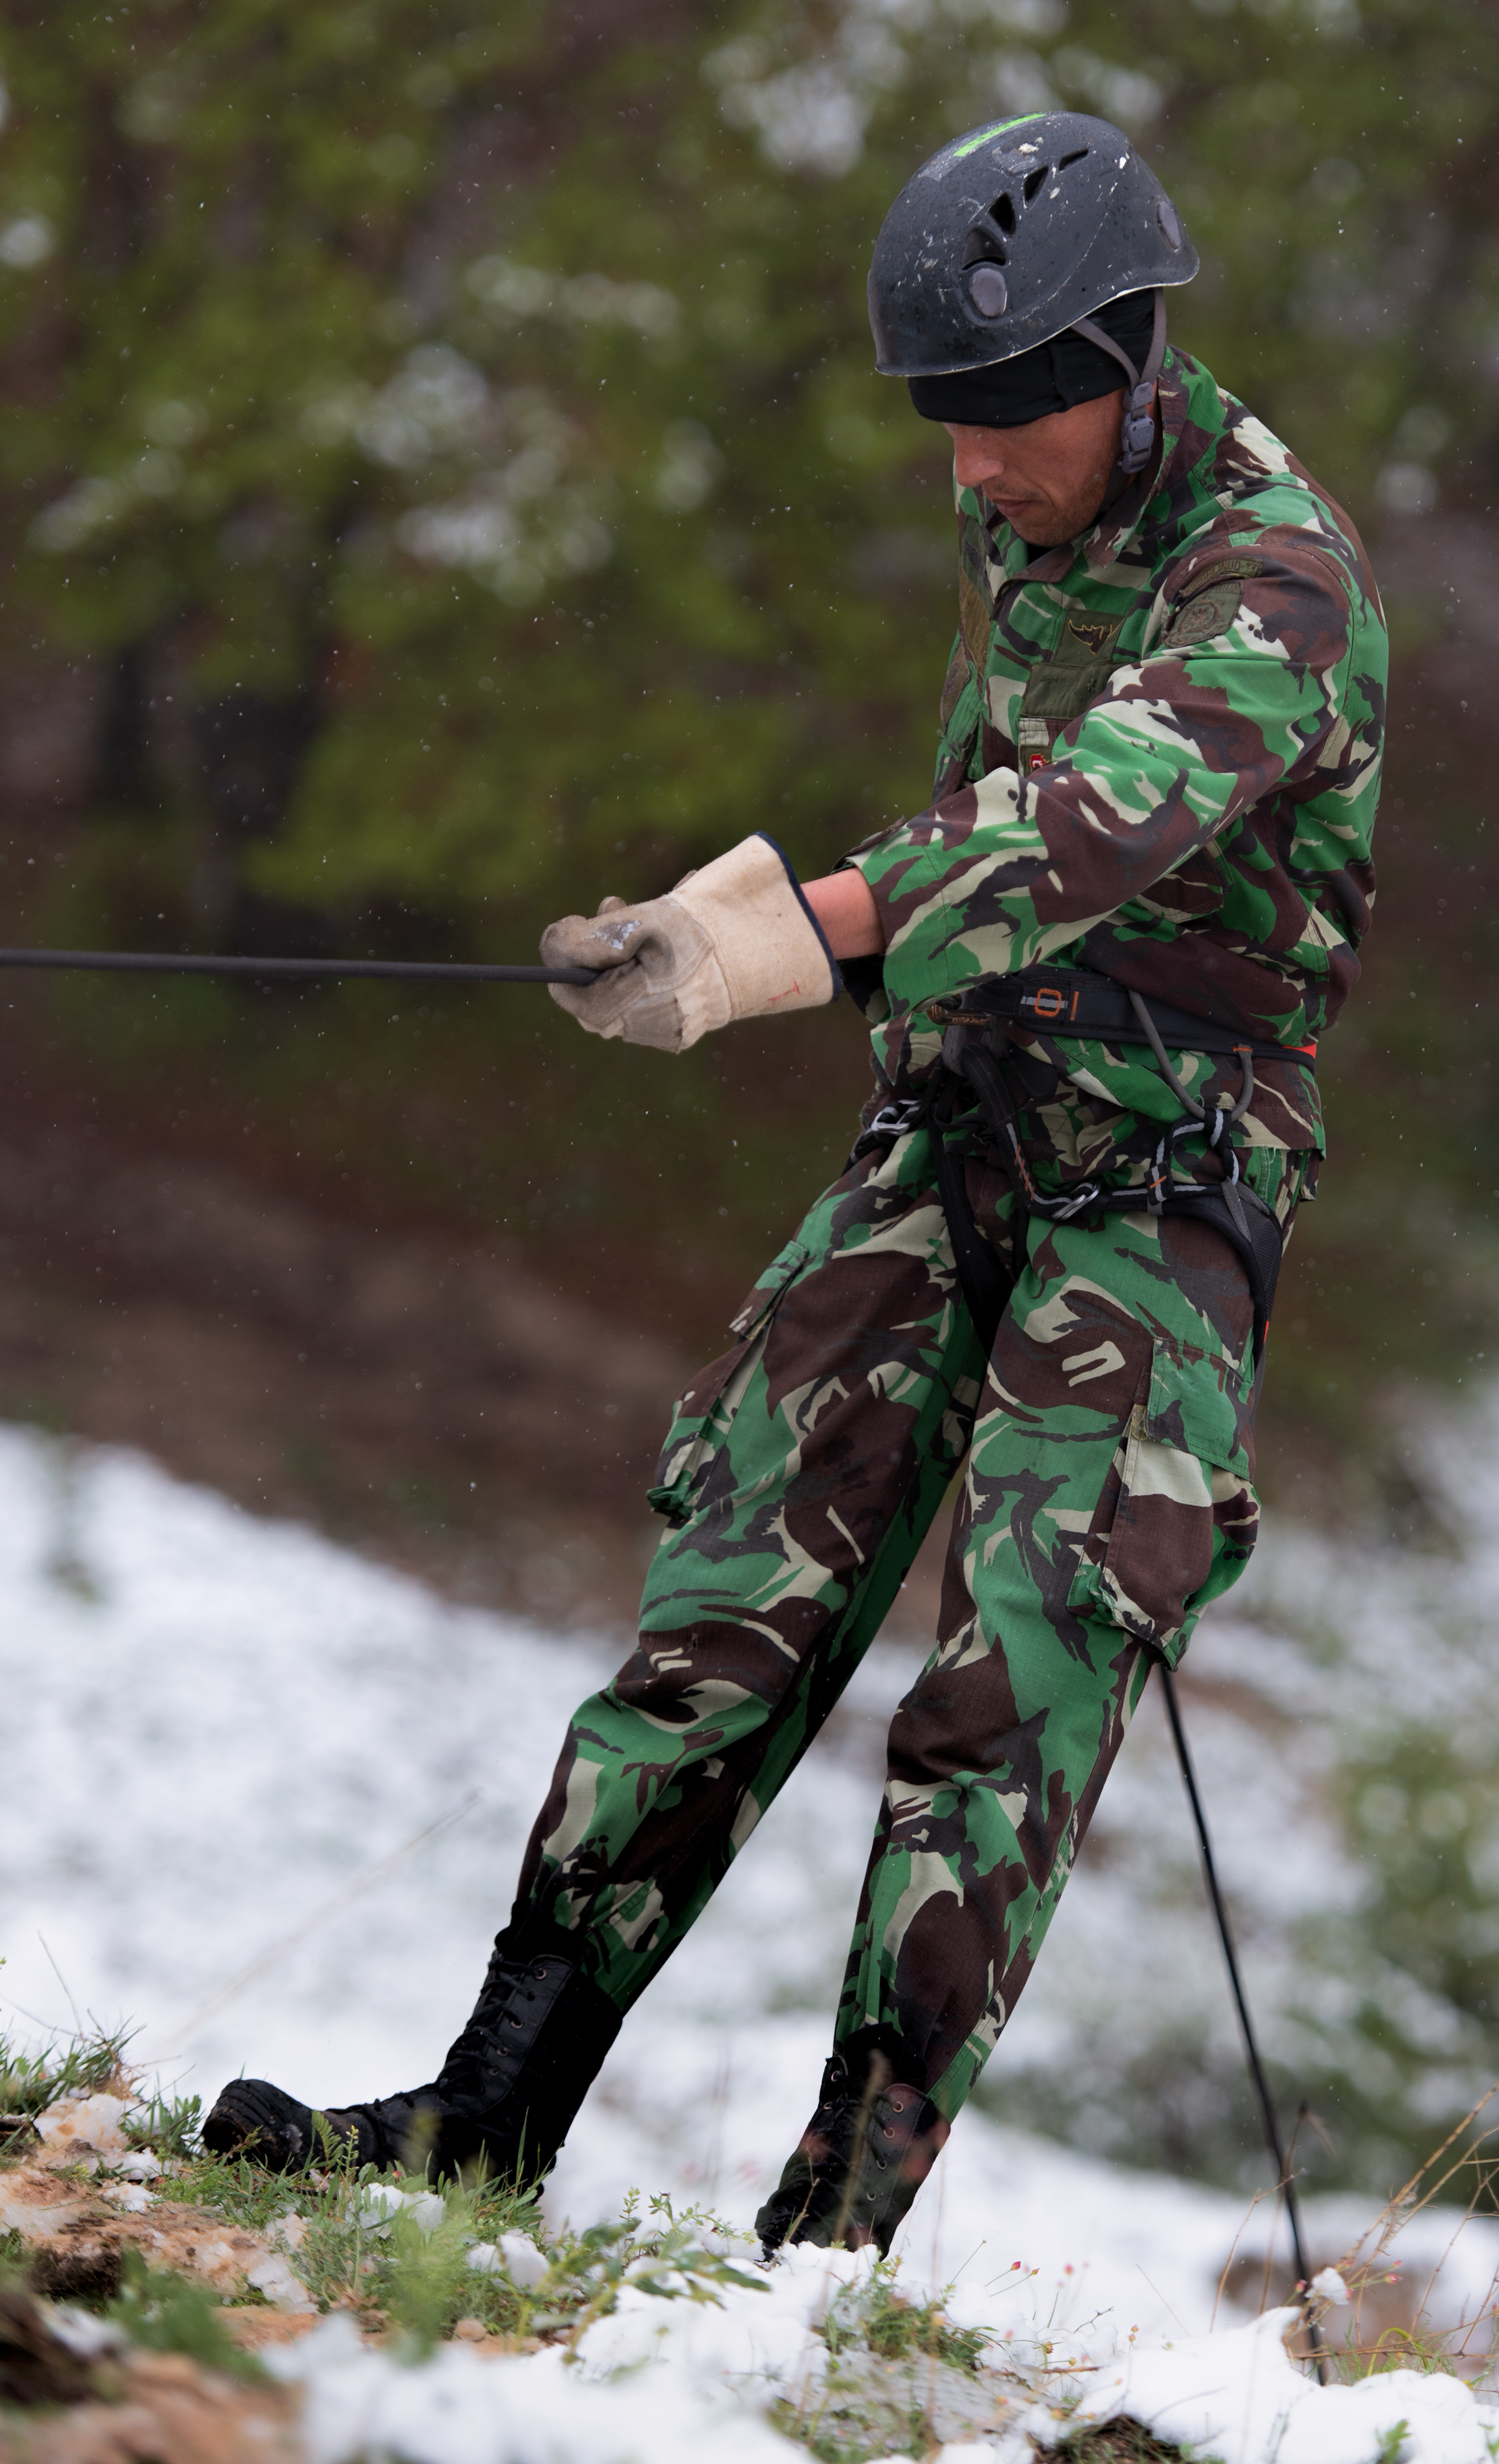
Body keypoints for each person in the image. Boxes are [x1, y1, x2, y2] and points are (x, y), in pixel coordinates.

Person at [204, 108, 1386, 2260]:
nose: (965, 471)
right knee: (729, 1591)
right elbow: (995, 796)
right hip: (964, 1114)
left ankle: (823, 2253)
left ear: (1123, 367)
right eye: (937, 424)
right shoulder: (1041, 505)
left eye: (995, 419)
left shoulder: (1276, 580)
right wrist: (744, 926)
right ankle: (486, 2116)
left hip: (1166, 1182)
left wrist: (779, 939)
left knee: (1010, 1683)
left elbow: (1097, 827)